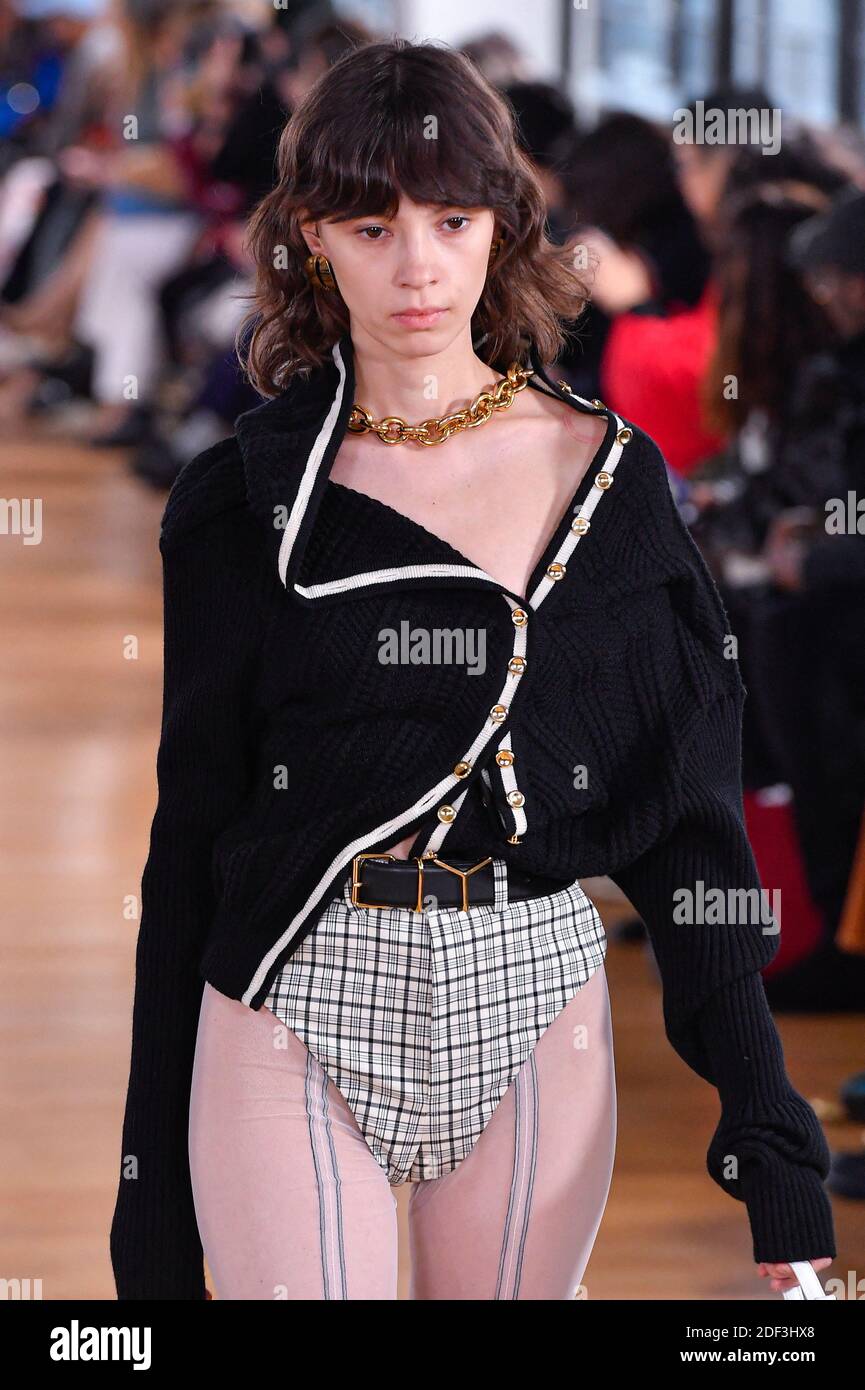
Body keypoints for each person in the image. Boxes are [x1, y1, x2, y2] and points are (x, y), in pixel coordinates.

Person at [108, 37, 836, 1301]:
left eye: (450, 220)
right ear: (312, 239)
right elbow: (192, 839)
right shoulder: (245, 501)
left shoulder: (609, 485)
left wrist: (773, 1150)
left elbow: (690, 830)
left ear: (503, 223)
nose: (417, 267)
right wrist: (150, 1232)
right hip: (293, 989)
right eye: (370, 226)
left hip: (535, 993)